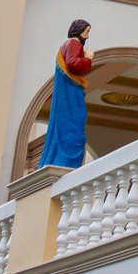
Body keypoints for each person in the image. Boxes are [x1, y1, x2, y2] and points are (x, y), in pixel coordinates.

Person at [37, 19, 93, 169]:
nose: (87, 36)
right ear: (79, 30)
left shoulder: (69, 45)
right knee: (75, 121)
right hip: (70, 92)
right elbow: (73, 63)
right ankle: (65, 160)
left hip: (70, 90)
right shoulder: (74, 44)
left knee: (74, 121)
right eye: (87, 32)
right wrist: (88, 59)